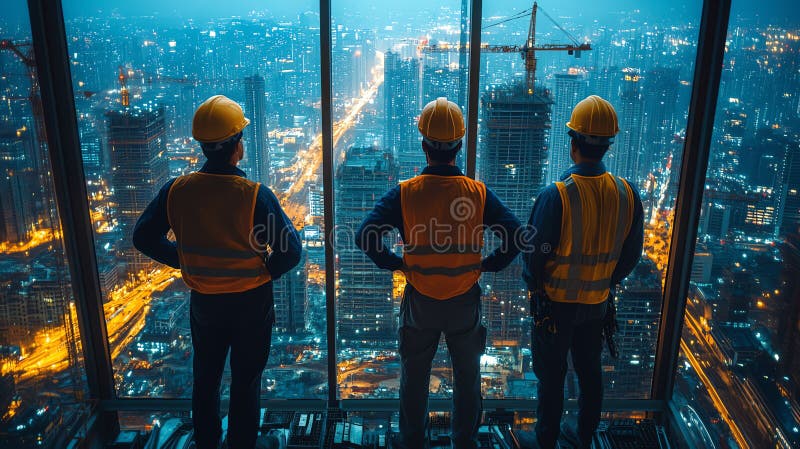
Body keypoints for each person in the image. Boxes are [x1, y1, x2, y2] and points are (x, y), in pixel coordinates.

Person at [133, 95, 301, 449]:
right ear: (237, 144)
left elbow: (144, 237)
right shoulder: (253, 195)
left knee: (205, 378)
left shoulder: (177, 190)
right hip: (251, 304)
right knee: (246, 380)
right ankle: (241, 444)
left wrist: (185, 261)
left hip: (205, 302)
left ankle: (206, 442)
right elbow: (291, 251)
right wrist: (262, 272)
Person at [356, 97, 521, 449]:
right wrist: (488, 264)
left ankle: (413, 442)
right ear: (459, 146)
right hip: (464, 300)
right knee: (467, 377)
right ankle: (465, 441)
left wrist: (395, 263)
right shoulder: (476, 194)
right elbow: (516, 235)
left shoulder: (406, 194)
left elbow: (365, 235)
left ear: (423, 146)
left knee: (414, 379)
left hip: (421, 302)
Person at [522, 95, 644, 449]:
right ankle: (584, 437)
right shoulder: (627, 194)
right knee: (590, 375)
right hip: (597, 306)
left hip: (555, 308)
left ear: (573, 142)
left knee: (551, 377)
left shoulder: (557, 195)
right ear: (607, 144)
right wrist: (604, 280)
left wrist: (536, 287)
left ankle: (546, 440)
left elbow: (533, 259)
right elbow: (631, 256)